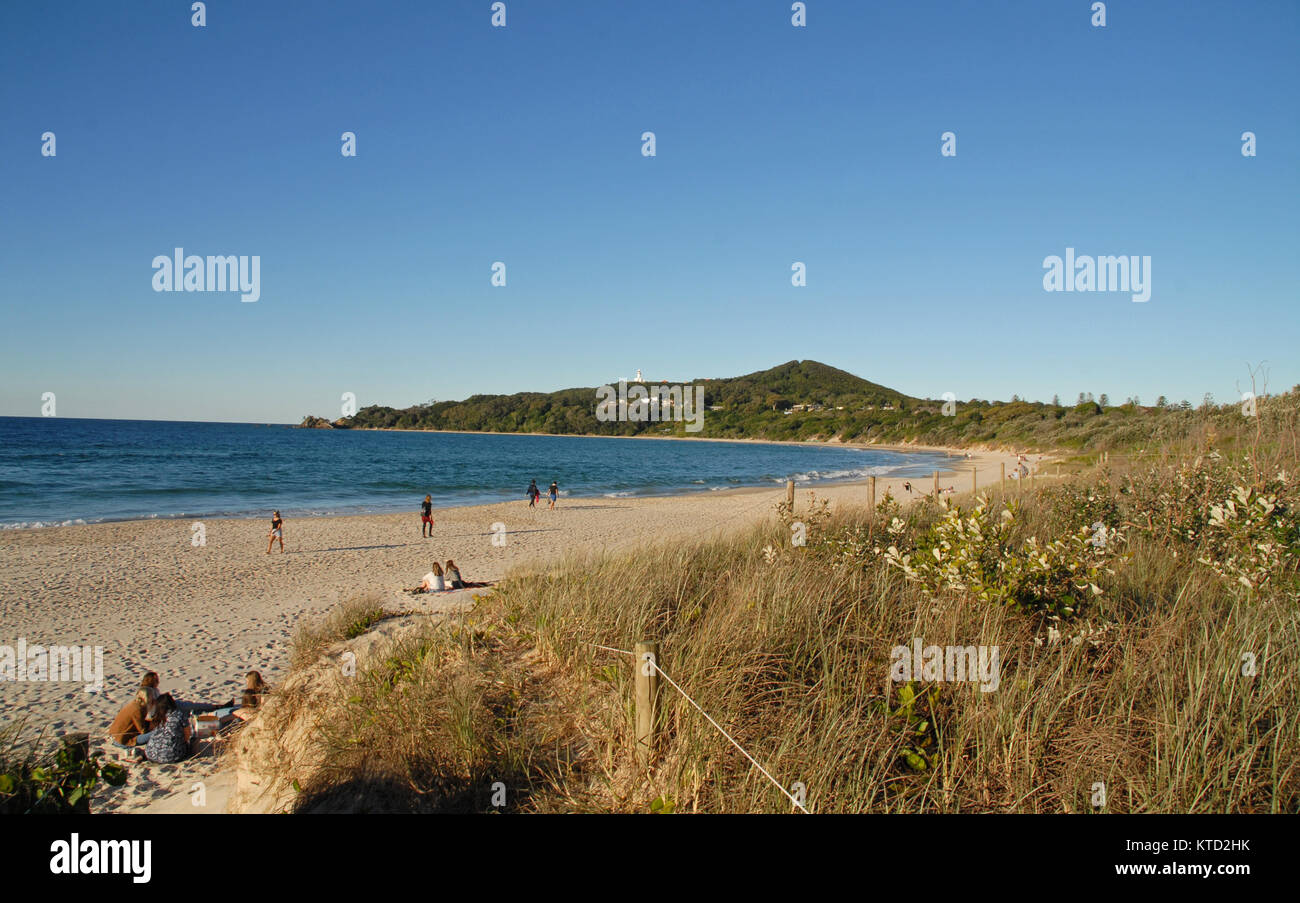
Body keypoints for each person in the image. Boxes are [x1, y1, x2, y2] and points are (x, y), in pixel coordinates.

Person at [144, 694, 192, 764]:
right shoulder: (179, 714)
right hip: (170, 756)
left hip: (150, 753)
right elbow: (187, 735)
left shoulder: (157, 715)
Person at [108, 686, 158, 751]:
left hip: (115, 737)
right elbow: (143, 730)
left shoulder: (134, 704)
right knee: (157, 732)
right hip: (122, 740)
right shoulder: (137, 710)